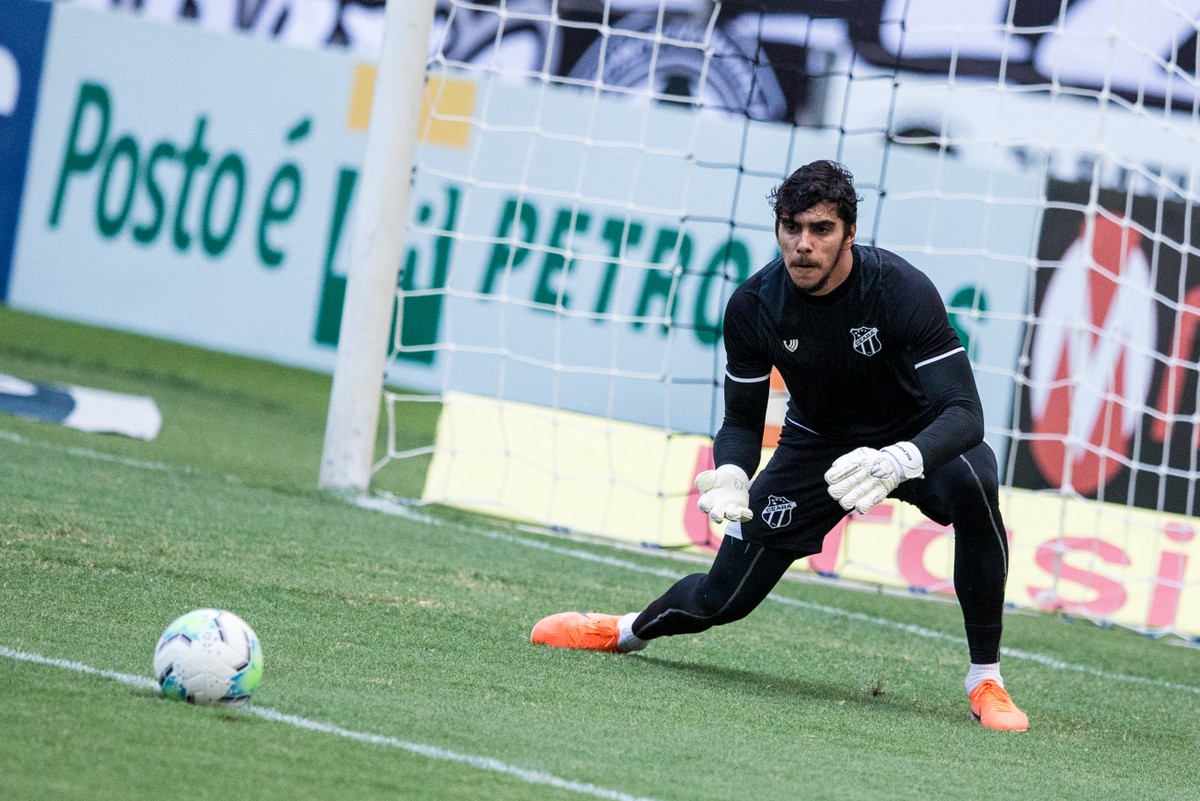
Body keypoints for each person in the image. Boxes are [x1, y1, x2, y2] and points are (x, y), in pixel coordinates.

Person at [530, 160, 1028, 732]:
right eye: (791, 228)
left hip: (914, 436)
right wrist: (734, 471)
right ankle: (620, 631)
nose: (803, 246)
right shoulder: (753, 305)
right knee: (723, 597)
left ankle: (985, 678)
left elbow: (966, 413)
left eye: (820, 230)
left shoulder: (899, 289)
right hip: (816, 444)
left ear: (849, 232)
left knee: (974, 483)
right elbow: (741, 421)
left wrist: (898, 460)